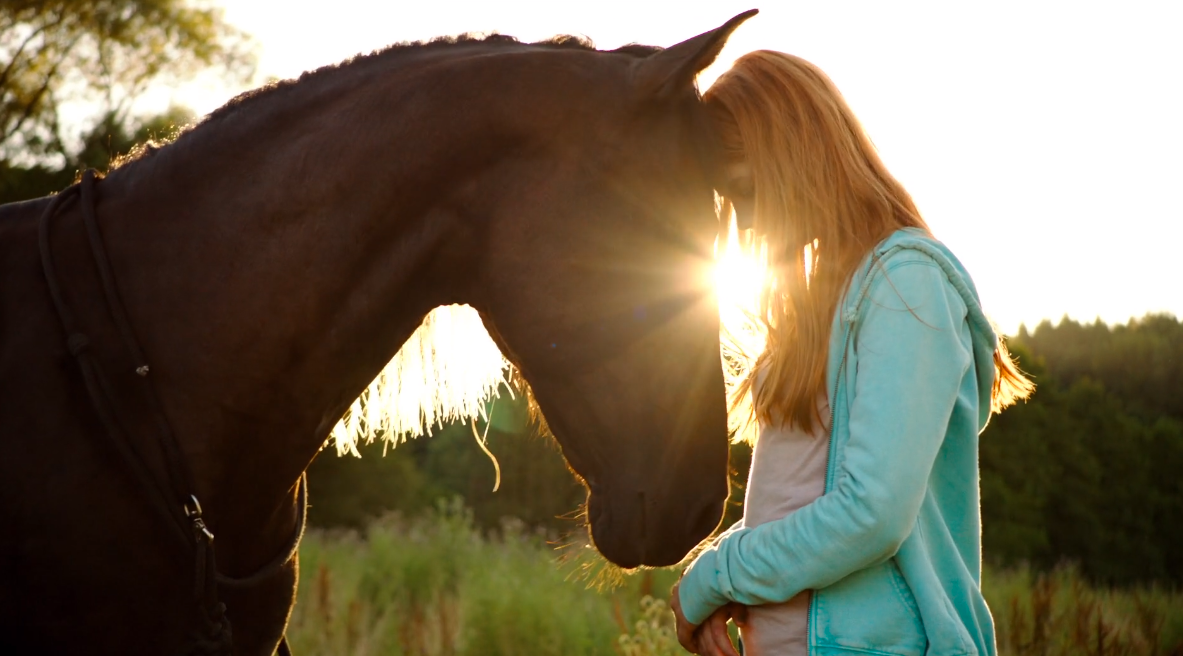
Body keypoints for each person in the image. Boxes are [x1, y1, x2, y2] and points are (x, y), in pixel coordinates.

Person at [669, 51, 1034, 656]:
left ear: (794, 159)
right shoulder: (827, 304)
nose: (748, 223)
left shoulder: (905, 286)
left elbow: (872, 513)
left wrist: (720, 574)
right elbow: (802, 504)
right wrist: (720, 579)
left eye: (746, 189)